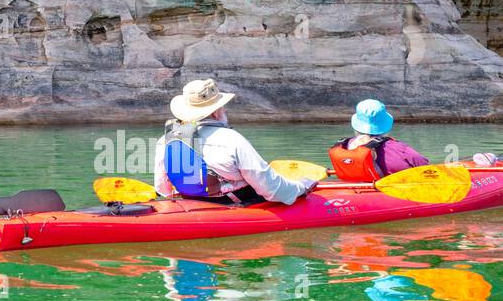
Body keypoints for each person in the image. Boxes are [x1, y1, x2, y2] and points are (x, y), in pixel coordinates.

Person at [154, 79, 316, 205]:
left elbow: (162, 188)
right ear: (216, 113)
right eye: (222, 107)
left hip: (189, 201)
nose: (224, 110)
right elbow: (270, 189)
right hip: (233, 202)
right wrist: (300, 188)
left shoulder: (166, 140)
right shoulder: (231, 139)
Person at [329, 99, 429, 181]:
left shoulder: (343, 146)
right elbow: (425, 167)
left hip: (354, 193)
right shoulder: (399, 149)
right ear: (386, 125)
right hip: (393, 195)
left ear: (356, 125)